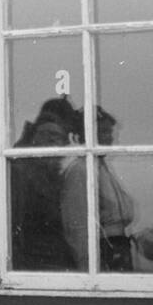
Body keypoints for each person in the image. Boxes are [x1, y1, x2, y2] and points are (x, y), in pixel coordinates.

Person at [61, 107, 137, 271]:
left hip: (117, 250)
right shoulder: (80, 170)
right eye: (103, 132)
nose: (109, 138)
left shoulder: (101, 167)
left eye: (110, 132)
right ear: (86, 133)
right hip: (102, 255)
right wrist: (89, 268)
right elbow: (77, 226)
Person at [10, 98, 79, 271]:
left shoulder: (49, 171)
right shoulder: (23, 171)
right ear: (36, 138)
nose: (55, 143)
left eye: (58, 138)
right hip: (36, 262)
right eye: (48, 136)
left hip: (51, 259)